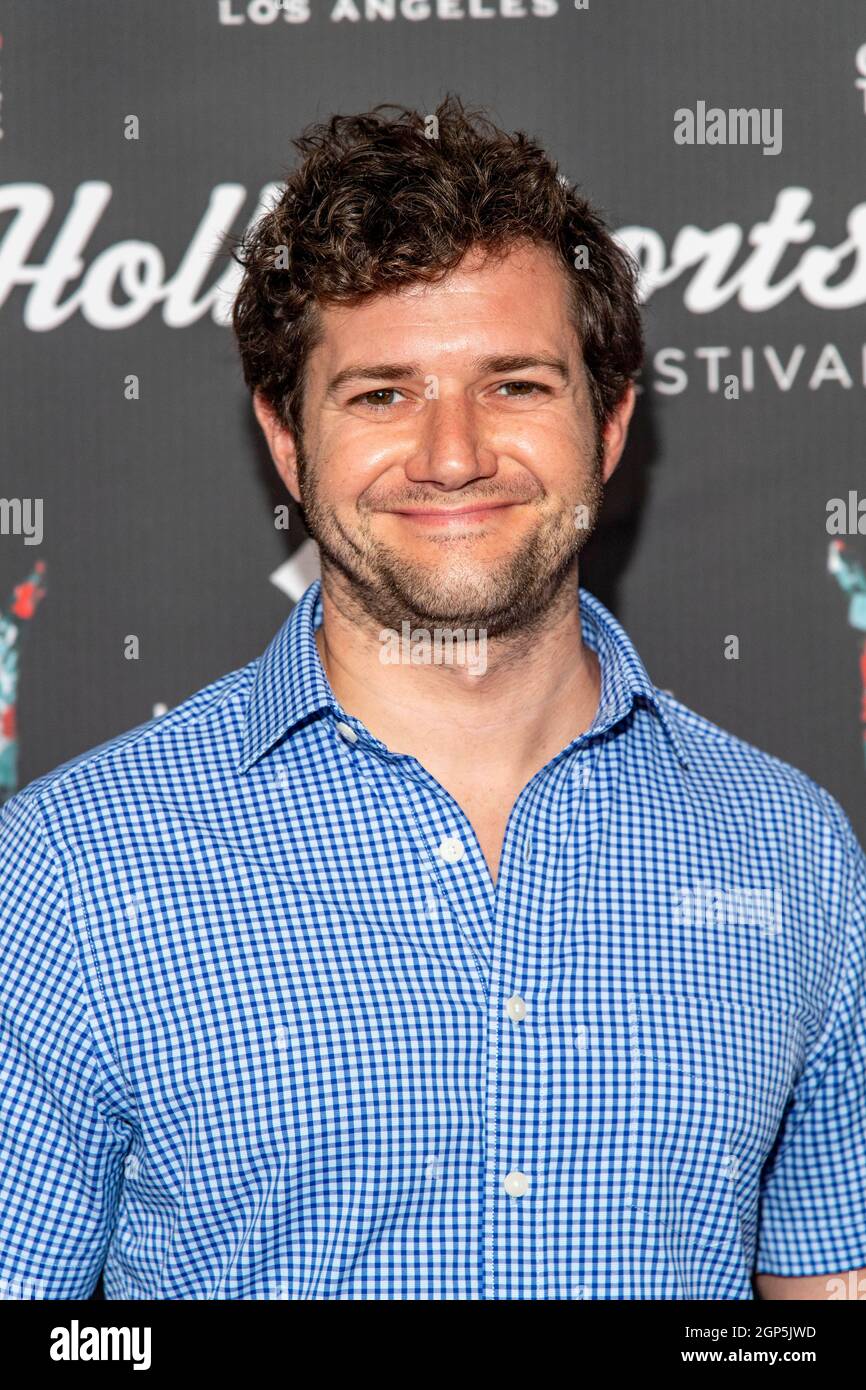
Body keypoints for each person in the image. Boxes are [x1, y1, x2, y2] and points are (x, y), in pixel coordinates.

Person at [1, 95, 865, 1301]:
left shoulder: (793, 852)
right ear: (288, 443)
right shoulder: (70, 873)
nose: (451, 453)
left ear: (608, 422)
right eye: (379, 393)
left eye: (512, 384)